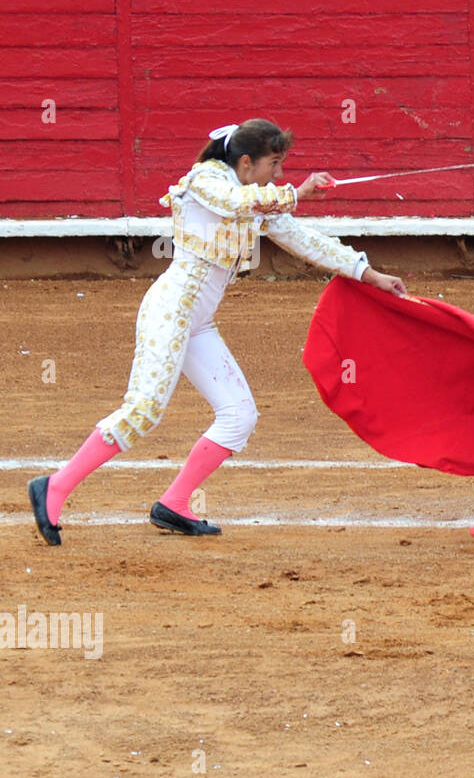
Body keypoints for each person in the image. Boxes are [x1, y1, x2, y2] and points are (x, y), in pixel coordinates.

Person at [28, 118, 407, 545]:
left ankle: (175, 503)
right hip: (170, 313)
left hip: (198, 323)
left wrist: (369, 273)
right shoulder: (206, 180)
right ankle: (54, 487)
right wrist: (296, 193)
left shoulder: (254, 199)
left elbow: (303, 239)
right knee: (143, 410)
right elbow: (232, 204)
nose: (278, 175)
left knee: (239, 414)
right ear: (246, 163)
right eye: (274, 164)